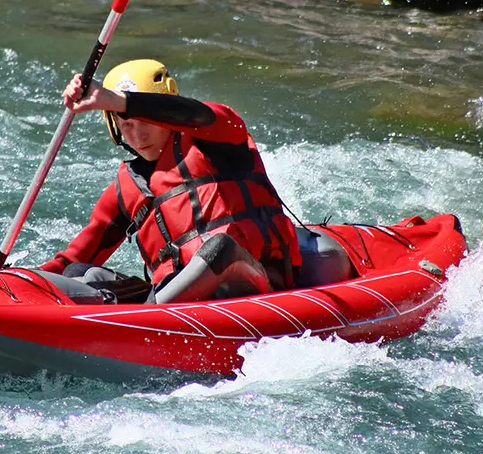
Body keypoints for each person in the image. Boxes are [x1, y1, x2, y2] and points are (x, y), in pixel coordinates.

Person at [40, 58, 306, 304]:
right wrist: (21, 280)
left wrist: (118, 101)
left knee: (220, 247)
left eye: (146, 122)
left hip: (252, 283)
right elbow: (71, 259)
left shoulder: (219, 139)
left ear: (165, 115)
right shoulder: (128, 188)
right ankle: (138, 319)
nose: (138, 136)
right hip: (179, 300)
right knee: (77, 272)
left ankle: (147, 320)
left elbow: (200, 115)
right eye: (127, 125)